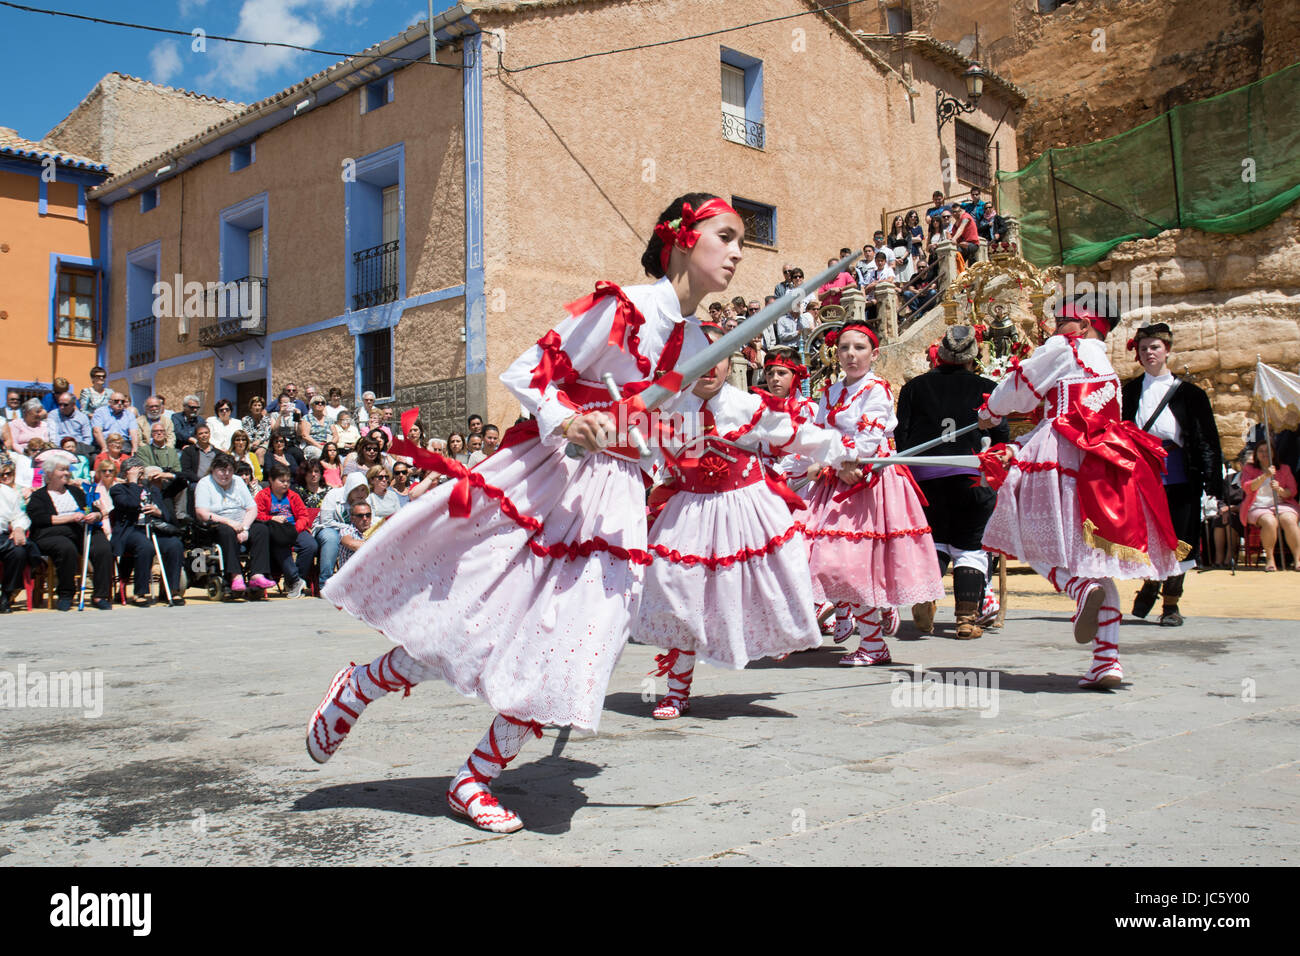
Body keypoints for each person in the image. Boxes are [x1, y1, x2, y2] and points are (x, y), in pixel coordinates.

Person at [306, 192, 742, 835]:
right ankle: (364, 683)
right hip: (555, 481)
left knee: (576, 648)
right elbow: (530, 371)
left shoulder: (700, 342)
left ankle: (474, 778)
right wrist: (571, 418)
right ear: (681, 239)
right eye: (726, 236)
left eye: (740, 242)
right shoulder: (621, 308)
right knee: (478, 618)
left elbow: (674, 433)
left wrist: (699, 436)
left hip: (617, 504)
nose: (737, 253)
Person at [634, 322, 851, 719]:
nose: (709, 367)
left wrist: (840, 453)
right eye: (700, 358)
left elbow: (799, 435)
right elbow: (641, 454)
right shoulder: (667, 409)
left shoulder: (750, 406)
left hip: (744, 510)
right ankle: (676, 690)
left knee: (754, 585)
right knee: (678, 588)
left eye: (717, 357)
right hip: (690, 510)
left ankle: (773, 638)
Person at [979, 302, 1186, 688]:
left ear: (1085, 324)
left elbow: (1020, 389)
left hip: (1062, 452)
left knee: (1027, 535)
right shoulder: (1107, 367)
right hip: (1108, 462)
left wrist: (989, 412)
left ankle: (1076, 588)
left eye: (1063, 321)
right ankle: (1107, 660)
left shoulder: (1066, 349)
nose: (1055, 327)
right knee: (1096, 561)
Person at [802, 321, 944, 664]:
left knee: (856, 564)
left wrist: (847, 462)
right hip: (839, 480)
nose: (851, 355)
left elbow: (869, 437)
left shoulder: (878, 389)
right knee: (826, 560)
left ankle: (873, 639)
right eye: (844, 348)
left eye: (859, 348)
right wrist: (836, 463)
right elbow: (818, 435)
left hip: (873, 483)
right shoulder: (830, 393)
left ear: (874, 354)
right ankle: (872, 627)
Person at [895, 325, 1009, 637]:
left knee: (936, 542)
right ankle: (966, 618)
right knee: (969, 547)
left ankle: (927, 598)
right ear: (975, 355)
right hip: (970, 475)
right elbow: (1002, 437)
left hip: (925, 477)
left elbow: (901, 436)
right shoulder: (988, 387)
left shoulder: (914, 388)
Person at [1122, 322, 1224, 624]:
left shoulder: (1191, 394)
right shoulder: (1128, 391)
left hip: (1178, 469)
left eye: (1154, 347)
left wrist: (1213, 483)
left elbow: (1207, 440)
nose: (1149, 353)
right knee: (1149, 535)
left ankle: (1170, 604)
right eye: (1143, 349)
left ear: (1167, 350)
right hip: (1142, 470)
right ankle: (1151, 582)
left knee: (1180, 536)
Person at [27, 459, 114, 611]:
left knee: (102, 547)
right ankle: (66, 594)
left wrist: (94, 515)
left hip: (79, 530)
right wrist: (71, 517)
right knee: (66, 548)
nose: (67, 473)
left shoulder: (76, 492)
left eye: (68, 469)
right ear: (49, 473)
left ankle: (100, 595)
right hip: (51, 533)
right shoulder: (39, 496)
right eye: (62, 469)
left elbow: (91, 509)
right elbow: (40, 519)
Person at [195, 453, 275, 596]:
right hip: (218, 524)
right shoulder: (205, 484)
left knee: (261, 530)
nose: (226, 474)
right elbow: (202, 513)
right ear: (213, 469)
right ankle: (235, 575)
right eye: (222, 470)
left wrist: (245, 528)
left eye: (229, 470)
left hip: (241, 523)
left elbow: (252, 508)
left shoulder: (238, 481)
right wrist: (229, 522)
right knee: (227, 531)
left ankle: (257, 575)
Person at [110, 462, 184, 607]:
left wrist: (158, 512)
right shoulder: (118, 490)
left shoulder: (152, 490)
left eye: (141, 472)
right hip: (131, 531)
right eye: (135, 472)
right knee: (145, 546)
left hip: (153, 530)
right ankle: (140, 592)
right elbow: (130, 504)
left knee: (174, 544)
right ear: (126, 473)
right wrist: (132, 483)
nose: (140, 475)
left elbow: (168, 517)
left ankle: (172, 590)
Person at [255, 463, 317, 599]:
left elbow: (303, 516)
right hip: (275, 530)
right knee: (280, 542)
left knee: (310, 545)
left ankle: (293, 581)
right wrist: (272, 518)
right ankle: (295, 579)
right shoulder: (262, 495)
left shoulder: (293, 496)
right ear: (271, 480)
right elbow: (257, 515)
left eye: (288, 481)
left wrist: (295, 530)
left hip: (294, 529)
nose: (285, 484)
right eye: (281, 481)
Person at [1241, 440, 1299, 571]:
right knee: (1269, 521)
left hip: (1282, 503)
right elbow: (1247, 487)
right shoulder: (1249, 469)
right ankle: (1269, 558)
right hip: (1258, 506)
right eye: (1261, 451)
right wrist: (1264, 476)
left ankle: (1297, 559)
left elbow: (1292, 491)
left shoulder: (1284, 469)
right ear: (1256, 454)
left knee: (1289, 520)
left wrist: (1280, 490)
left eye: (1267, 450)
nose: (1264, 454)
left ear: (1273, 453)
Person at [312, 471, 370, 587]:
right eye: (356, 489)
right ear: (349, 488)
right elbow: (326, 521)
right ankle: (325, 583)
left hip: (351, 531)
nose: (360, 493)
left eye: (363, 490)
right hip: (327, 528)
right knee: (332, 538)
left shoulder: (365, 502)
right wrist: (348, 528)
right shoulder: (333, 495)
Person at [0, 456, 35, 613]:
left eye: (8, 473)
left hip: (2, 535)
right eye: (2, 475)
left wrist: (19, 528)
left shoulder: (9, 493)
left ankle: (6, 596)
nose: (5, 478)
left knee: (18, 552)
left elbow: (19, 516)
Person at [300, 395, 335, 460]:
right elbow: (305, 435)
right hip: (313, 445)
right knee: (319, 454)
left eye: (322, 403)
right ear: (312, 405)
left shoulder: (329, 419)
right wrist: (320, 446)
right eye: (317, 403)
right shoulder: (307, 418)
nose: (320, 404)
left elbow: (336, 436)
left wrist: (330, 446)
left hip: (328, 445)